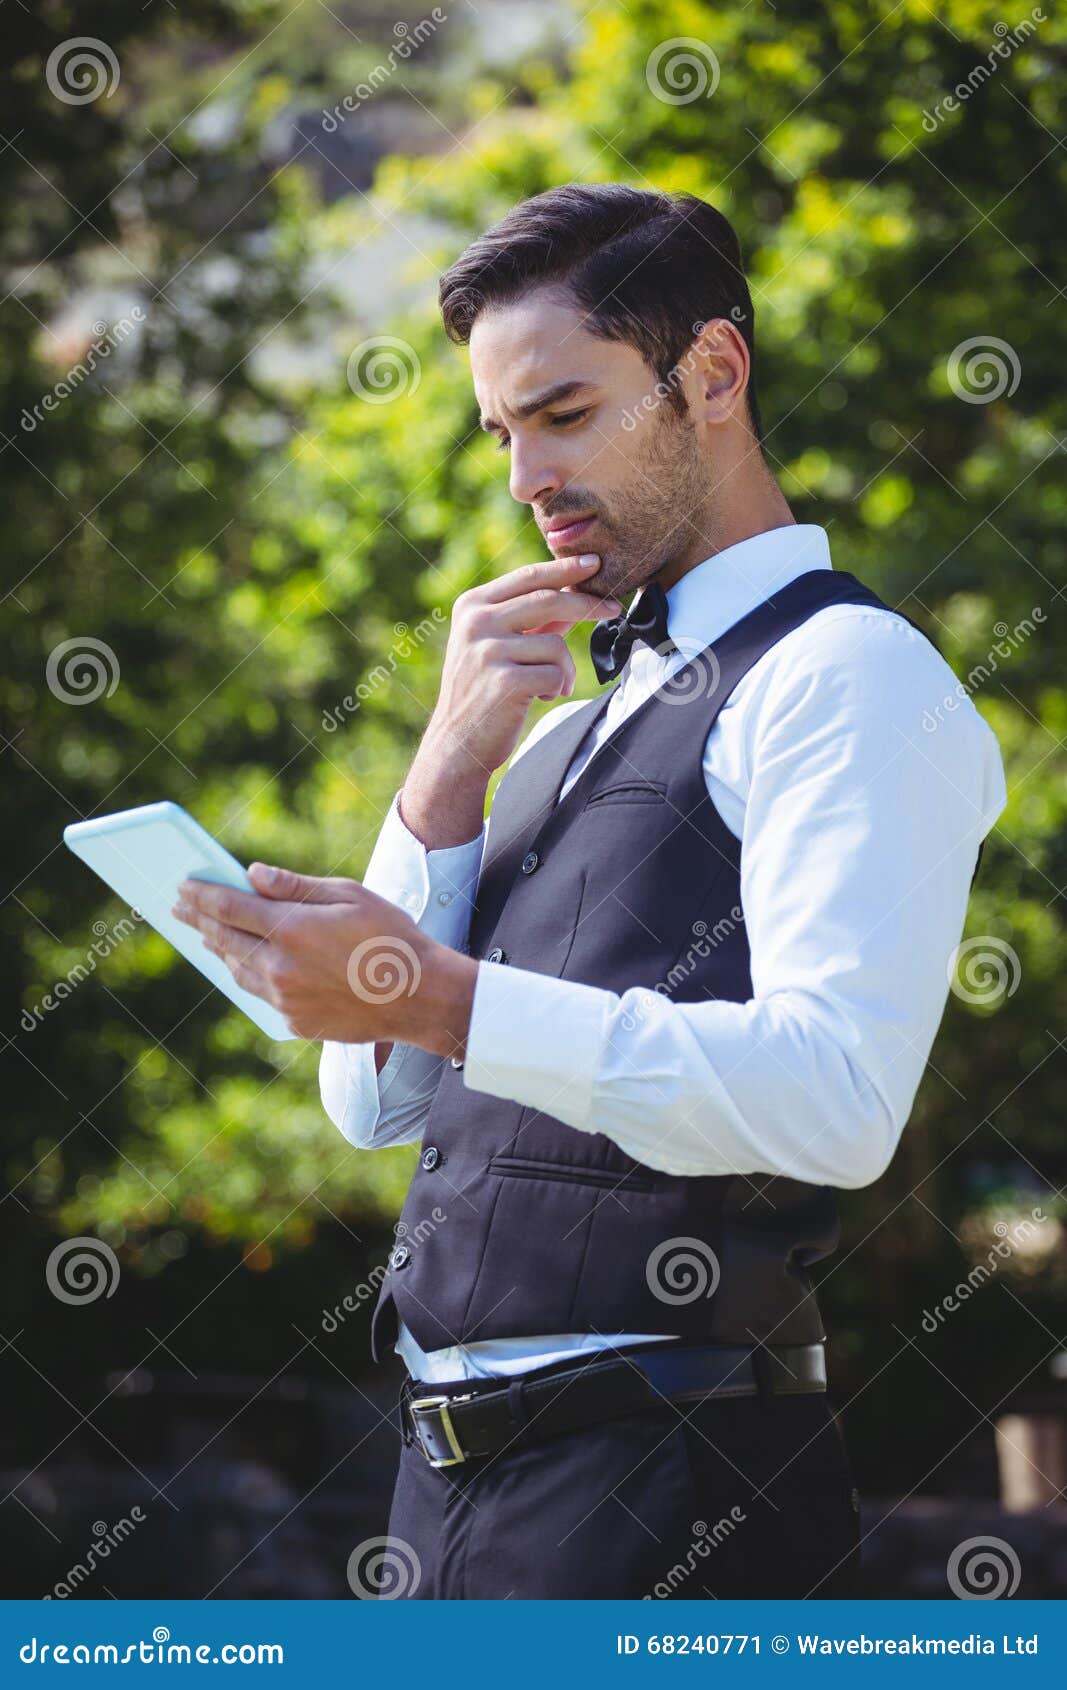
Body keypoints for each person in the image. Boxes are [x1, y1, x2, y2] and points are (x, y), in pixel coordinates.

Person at [173, 183, 1007, 1599]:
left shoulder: (847, 674)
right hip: (442, 1495)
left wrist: (434, 992)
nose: (524, 478)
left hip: (675, 1492)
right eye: (501, 433)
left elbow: (838, 1099)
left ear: (714, 374)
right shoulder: (559, 735)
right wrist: (446, 769)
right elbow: (374, 1103)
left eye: (564, 414)